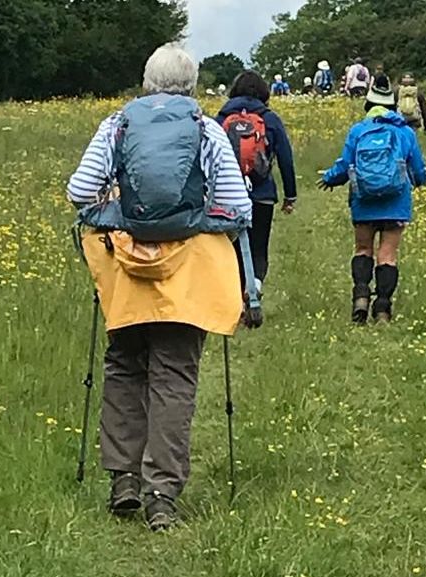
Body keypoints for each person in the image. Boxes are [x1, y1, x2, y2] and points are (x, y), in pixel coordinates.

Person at [66, 44, 256, 532]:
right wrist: (196, 221)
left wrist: (120, 216)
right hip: (187, 271)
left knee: (125, 368)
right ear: (191, 86)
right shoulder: (204, 128)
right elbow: (238, 207)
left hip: (127, 270)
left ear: (146, 82)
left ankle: (122, 480)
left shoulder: (118, 125)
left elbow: (80, 191)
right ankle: (161, 495)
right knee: (175, 378)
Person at [318, 84, 426, 324]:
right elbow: (418, 168)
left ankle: (360, 296)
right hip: (396, 201)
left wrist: (329, 178)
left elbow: (345, 164)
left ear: (367, 106)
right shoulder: (405, 132)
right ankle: (382, 308)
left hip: (363, 200)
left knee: (363, 249)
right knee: (387, 254)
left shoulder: (358, 130)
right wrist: (420, 181)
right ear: (393, 107)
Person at [217, 71, 298, 303]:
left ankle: (235, 297)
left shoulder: (221, 119)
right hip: (261, 194)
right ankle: (254, 288)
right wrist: (289, 195)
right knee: (258, 246)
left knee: (230, 249)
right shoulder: (270, 119)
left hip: (227, 196)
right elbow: (286, 159)